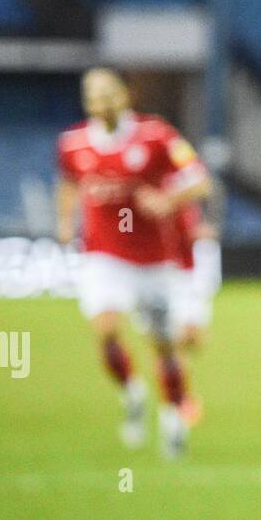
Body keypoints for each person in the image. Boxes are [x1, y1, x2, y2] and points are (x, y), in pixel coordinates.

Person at [56, 68, 211, 458]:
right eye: (93, 94)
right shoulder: (72, 143)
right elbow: (69, 183)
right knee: (106, 328)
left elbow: (200, 179)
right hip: (103, 255)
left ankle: (174, 422)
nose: (101, 100)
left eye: (108, 92)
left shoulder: (156, 135)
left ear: (125, 95)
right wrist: (63, 221)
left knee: (164, 347)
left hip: (155, 261)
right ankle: (132, 392)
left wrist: (168, 202)